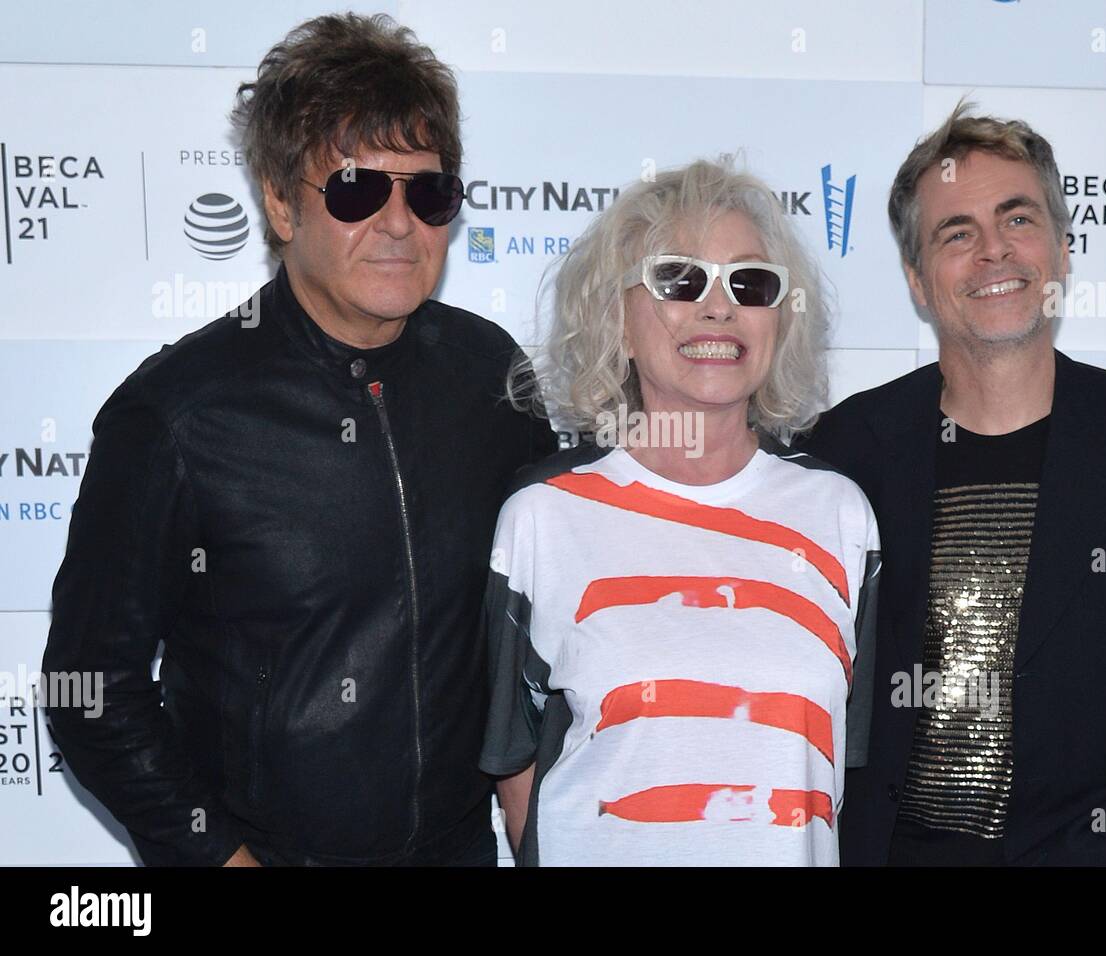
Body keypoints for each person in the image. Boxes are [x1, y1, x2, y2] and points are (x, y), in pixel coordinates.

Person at [41, 13, 555, 867]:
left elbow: (537, 617)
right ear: (280, 203)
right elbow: (88, 692)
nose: (399, 224)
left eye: (427, 192)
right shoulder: (177, 415)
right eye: (356, 189)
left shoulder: (489, 376)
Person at [800, 102, 1106, 866]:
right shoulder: (849, 450)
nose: (993, 253)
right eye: (956, 233)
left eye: (1017, 220)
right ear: (917, 278)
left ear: (1063, 249)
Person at [478, 158, 881, 866]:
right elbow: (514, 763)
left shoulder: (841, 515)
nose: (718, 307)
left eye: (750, 284)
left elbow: (838, 776)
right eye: (679, 279)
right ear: (619, 321)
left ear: (780, 322)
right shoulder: (543, 516)